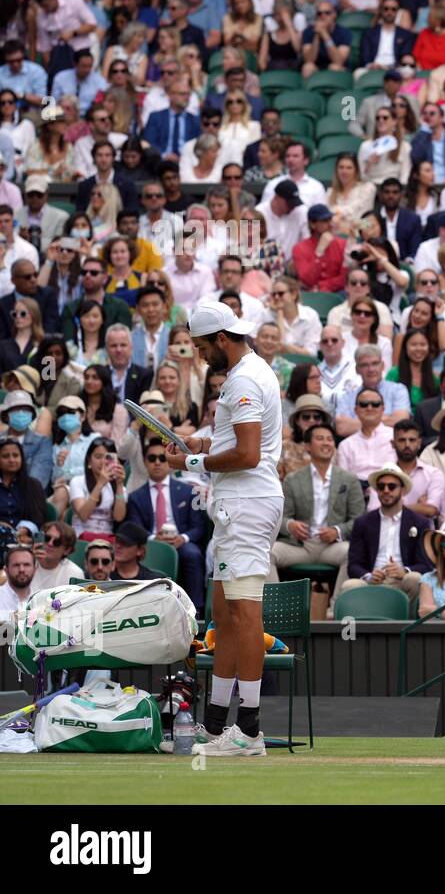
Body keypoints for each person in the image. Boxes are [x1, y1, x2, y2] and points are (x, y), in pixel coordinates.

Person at [165, 300, 283, 758]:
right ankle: (216, 726)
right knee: (225, 616)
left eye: (200, 347)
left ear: (220, 339)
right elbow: (238, 440)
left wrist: (192, 460)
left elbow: (250, 454)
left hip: (248, 504)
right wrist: (204, 441)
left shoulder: (246, 380)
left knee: (245, 617)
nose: (199, 356)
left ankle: (249, 732)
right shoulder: (247, 373)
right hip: (237, 505)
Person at [273, 423, 365, 600]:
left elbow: (359, 519)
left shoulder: (349, 479)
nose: (326, 443)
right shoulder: (293, 479)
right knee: (268, 552)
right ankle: (276, 606)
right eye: (320, 439)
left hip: (332, 545)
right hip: (300, 545)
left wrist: (337, 531)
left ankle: (337, 607)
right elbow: (279, 516)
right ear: (307, 446)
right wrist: (290, 525)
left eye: (330, 439)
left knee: (352, 551)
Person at [123, 436, 205, 606]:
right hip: (151, 543)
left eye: (162, 458)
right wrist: (154, 539)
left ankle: (197, 610)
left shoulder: (189, 491)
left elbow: (199, 526)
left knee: (193, 554)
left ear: (169, 460)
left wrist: (183, 538)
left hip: (181, 541)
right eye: (152, 458)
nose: (158, 462)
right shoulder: (135, 497)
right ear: (145, 462)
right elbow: (136, 528)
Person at [339, 463, 433, 605]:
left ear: (402, 490)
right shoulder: (363, 522)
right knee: (349, 586)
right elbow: (354, 564)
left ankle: (409, 625)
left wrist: (405, 571)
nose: (386, 490)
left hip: (403, 581)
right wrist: (369, 576)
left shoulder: (419, 522)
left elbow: (426, 564)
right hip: (373, 580)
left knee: (414, 578)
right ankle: (356, 627)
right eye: (381, 487)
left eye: (392, 486)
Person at [0, 545, 36, 619]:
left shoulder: (41, 599)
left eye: (26, 565)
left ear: (35, 570)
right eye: (16, 565)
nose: (21, 569)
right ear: (6, 570)